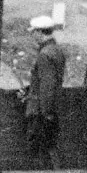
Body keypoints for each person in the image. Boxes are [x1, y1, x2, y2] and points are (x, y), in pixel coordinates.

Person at [24, 18, 66, 162]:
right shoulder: (56, 50)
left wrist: (46, 114)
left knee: (37, 150)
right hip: (52, 108)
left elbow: (47, 86)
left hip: (40, 112)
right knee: (49, 147)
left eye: (33, 32)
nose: (32, 36)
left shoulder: (44, 55)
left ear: (39, 32)